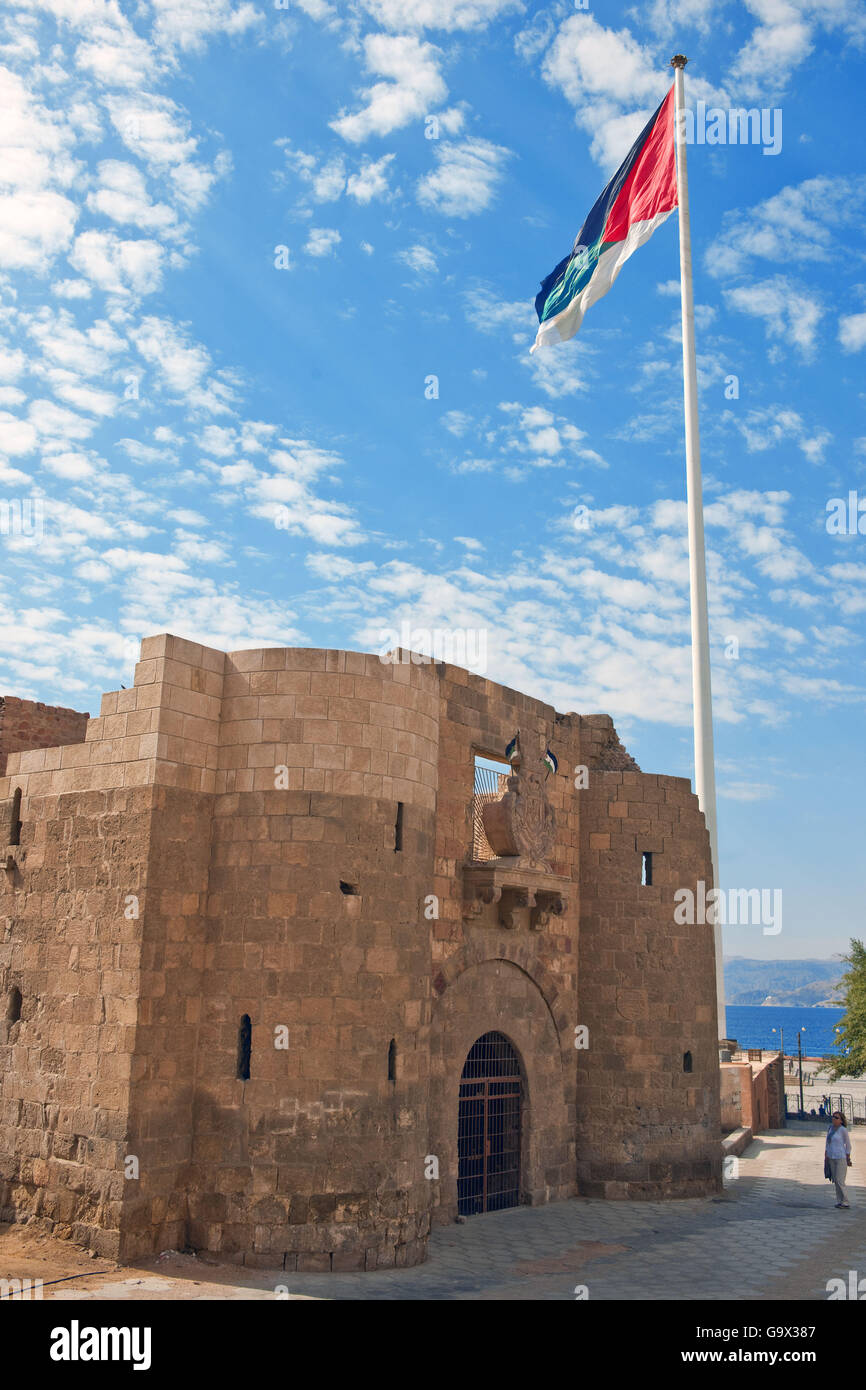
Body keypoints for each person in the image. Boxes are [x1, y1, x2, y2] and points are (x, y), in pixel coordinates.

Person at [825, 1112, 853, 1209]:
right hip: (831, 1157)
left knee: (840, 1180)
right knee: (835, 1180)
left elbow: (848, 1145)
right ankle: (839, 1201)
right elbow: (827, 1143)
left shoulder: (843, 1130)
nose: (834, 1119)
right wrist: (826, 1155)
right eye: (833, 1117)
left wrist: (848, 1157)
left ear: (841, 1120)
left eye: (836, 1117)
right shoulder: (830, 1129)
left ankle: (846, 1201)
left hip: (841, 1157)